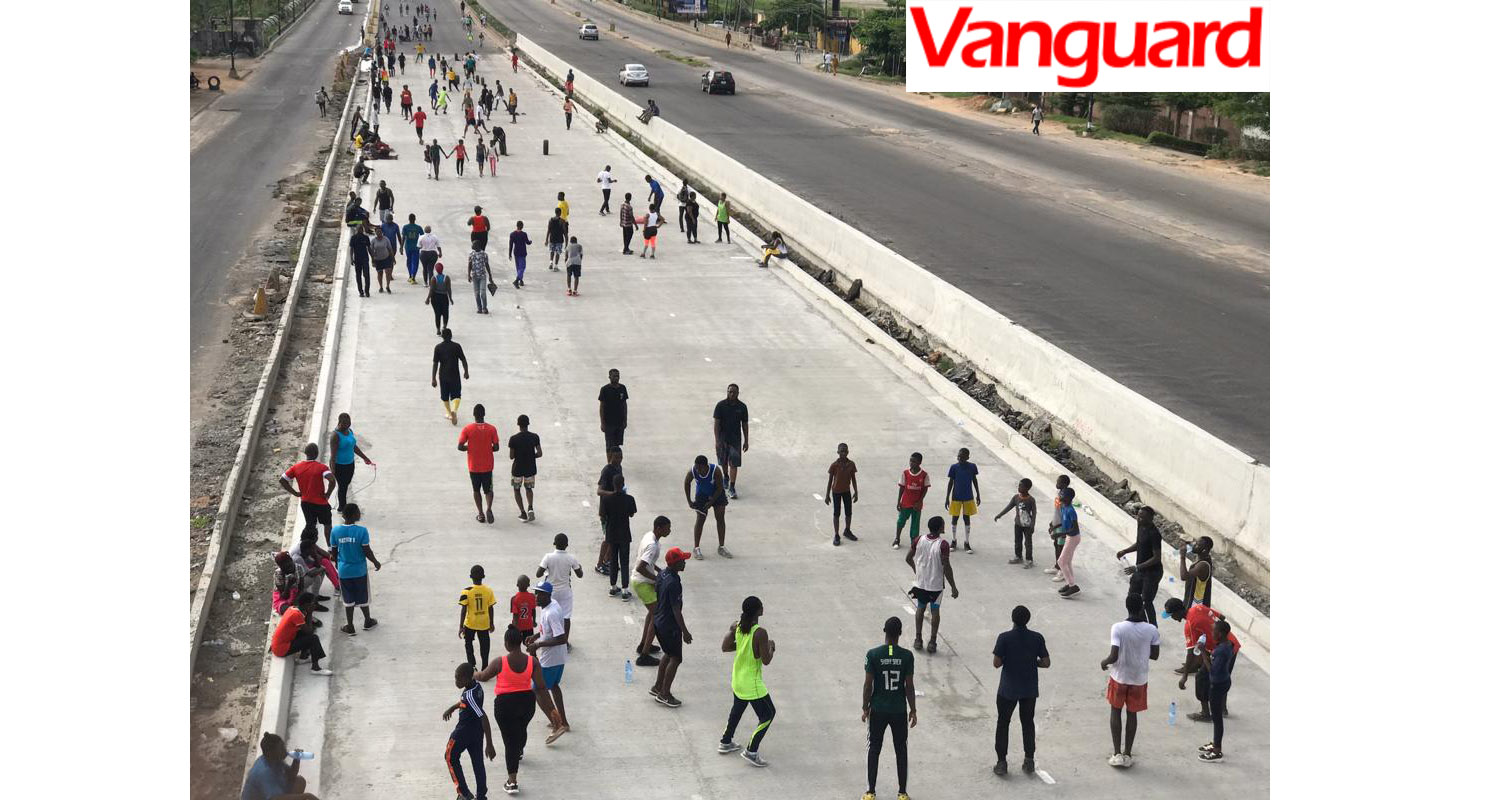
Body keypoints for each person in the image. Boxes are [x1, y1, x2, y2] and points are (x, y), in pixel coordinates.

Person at [473, 625, 564, 796]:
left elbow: (484, 676)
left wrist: (474, 674)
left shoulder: (500, 661)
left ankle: (512, 781)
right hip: (526, 703)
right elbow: (542, 688)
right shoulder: (532, 662)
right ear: (520, 642)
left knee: (509, 741)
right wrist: (553, 710)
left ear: (507, 643)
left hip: (505, 706)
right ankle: (519, 750)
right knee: (520, 731)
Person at [1099, 593, 1160, 768]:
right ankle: (1128, 754)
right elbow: (1155, 655)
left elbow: (1113, 655)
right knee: (1132, 714)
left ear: (1126, 607)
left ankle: (1117, 752)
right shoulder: (1151, 629)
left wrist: (1104, 662)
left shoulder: (1118, 628)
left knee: (1116, 711)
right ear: (1141, 607)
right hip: (1139, 678)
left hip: (1119, 676)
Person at [718, 596, 776, 768]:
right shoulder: (760, 632)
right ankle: (751, 750)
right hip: (752, 684)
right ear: (758, 611)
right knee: (768, 714)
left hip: (738, 679)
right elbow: (766, 660)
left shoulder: (737, 626)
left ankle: (726, 741)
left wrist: (744, 646)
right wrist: (771, 647)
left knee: (737, 710)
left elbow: (725, 647)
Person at [992, 605, 1049, 777]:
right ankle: (1029, 760)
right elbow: (1046, 662)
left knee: (1003, 723)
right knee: (1027, 722)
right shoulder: (1037, 638)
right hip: (1029, 688)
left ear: (1012, 619)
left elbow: (996, 663)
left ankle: (1002, 763)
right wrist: (1032, 662)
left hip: (1008, 688)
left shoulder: (1004, 638)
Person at [863, 616, 916, 800]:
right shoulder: (907, 656)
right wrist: (913, 710)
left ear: (884, 631)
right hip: (898, 710)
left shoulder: (873, 654)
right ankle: (902, 792)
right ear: (900, 633)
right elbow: (909, 686)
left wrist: (865, 707)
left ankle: (870, 792)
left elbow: (868, 685)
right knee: (901, 750)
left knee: (874, 749)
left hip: (878, 709)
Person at [1163, 597, 1240, 724]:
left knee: (1201, 678)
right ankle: (1222, 709)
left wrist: (1185, 676)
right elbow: (1222, 618)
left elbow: (1190, 654)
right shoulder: (1198, 607)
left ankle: (1205, 713)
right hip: (1232, 644)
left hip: (1219, 650)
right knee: (1223, 677)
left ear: (1177, 613)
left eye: (1171, 615)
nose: (1172, 618)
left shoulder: (1189, 625)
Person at [524, 581, 572, 744]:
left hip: (551, 659)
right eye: (536, 593)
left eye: (540, 594)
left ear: (547, 595)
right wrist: (537, 636)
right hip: (557, 658)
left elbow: (561, 638)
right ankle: (563, 722)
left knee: (537, 689)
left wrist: (538, 645)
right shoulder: (550, 607)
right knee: (553, 687)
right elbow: (549, 630)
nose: (536, 597)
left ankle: (557, 723)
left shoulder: (551, 612)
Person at [441, 663, 495, 800]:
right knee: (478, 763)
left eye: (458, 679)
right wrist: (453, 708)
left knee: (450, 756)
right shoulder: (476, 686)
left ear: (466, 678)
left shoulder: (470, 694)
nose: (456, 682)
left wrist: (490, 744)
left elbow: (483, 716)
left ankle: (464, 793)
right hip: (477, 732)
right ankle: (481, 796)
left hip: (464, 731)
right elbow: (467, 702)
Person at [906, 517, 958, 654]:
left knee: (920, 609)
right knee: (935, 612)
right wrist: (953, 586)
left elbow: (908, 558)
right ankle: (932, 641)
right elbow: (946, 567)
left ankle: (918, 639)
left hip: (921, 583)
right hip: (935, 586)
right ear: (941, 528)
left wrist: (916, 570)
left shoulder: (919, 540)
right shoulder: (943, 545)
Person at [650, 547, 693, 707]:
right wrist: (685, 632)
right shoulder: (674, 583)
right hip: (670, 626)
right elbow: (676, 610)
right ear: (675, 564)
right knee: (676, 658)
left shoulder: (662, 574)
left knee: (667, 654)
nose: (685, 562)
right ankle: (665, 694)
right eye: (682, 560)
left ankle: (657, 686)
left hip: (659, 621)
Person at [330, 504, 381, 635]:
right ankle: (367, 621)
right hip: (359, 571)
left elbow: (334, 552)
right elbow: (366, 550)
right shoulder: (362, 531)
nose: (360, 514)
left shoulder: (335, 531)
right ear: (353, 515)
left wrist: (337, 563)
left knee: (348, 599)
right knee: (363, 596)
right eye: (358, 512)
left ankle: (350, 626)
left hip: (344, 571)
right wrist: (375, 562)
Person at [632, 515, 671, 666]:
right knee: (658, 615)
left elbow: (648, 562)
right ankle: (644, 655)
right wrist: (657, 579)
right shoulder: (652, 545)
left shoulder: (650, 536)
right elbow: (641, 567)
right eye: (667, 528)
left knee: (653, 613)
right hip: (642, 583)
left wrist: (659, 572)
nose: (670, 530)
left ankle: (643, 644)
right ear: (659, 528)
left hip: (641, 581)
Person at [1117, 506, 1165, 623]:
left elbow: (1156, 557)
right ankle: (1137, 620)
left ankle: (1153, 627)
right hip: (1140, 571)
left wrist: (1137, 567)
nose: (1139, 519)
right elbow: (1140, 543)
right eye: (1138, 516)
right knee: (1132, 596)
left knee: (1146, 601)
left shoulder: (1154, 534)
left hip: (1152, 573)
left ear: (1150, 518)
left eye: (1142, 517)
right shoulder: (1141, 526)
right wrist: (1125, 551)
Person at [280, 443, 335, 545]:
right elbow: (332, 480)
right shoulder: (322, 467)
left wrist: (295, 493)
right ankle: (331, 548)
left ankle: (308, 547)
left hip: (306, 503)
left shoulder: (296, 467)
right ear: (317, 453)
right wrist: (328, 494)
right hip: (321, 503)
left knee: (310, 525)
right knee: (327, 525)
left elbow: (282, 480)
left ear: (305, 453)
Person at [241, 731, 320, 800]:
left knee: (299, 781)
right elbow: (276, 799)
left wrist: (296, 760)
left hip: (274, 795)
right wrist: (306, 796)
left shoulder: (275, 760)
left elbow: (291, 776)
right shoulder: (264, 772)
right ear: (271, 753)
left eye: (283, 746)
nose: (285, 751)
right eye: (281, 749)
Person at [1200, 618, 1238, 763]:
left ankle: (1217, 750)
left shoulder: (1221, 651)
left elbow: (1212, 672)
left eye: (1214, 630)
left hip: (1217, 685)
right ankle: (1215, 743)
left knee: (1216, 718)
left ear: (1221, 634)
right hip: (1225, 681)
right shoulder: (1227, 645)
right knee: (1216, 718)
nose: (1212, 632)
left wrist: (1204, 652)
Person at [269, 593, 332, 676]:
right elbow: (309, 631)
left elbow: (307, 629)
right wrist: (310, 613)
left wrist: (308, 613)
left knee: (305, 633)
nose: (315, 606)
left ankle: (303, 657)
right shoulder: (296, 615)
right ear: (306, 605)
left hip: (282, 643)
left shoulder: (293, 609)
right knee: (313, 638)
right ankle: (315, 668)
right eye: (313, 603)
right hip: (281, 649)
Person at [536, 534, 583, 642]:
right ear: (567, 545)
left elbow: (538, 574)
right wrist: (580, 567)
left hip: (550, 592)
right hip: (565, 591)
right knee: (566, 616)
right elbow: (580, 575)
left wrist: (547, 569)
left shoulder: (548, 557)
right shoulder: (571, 558)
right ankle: (564, 641)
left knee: (548, 614)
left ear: (554, 544)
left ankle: (547, 637)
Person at [458, 403, 499, 523]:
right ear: (484, 414)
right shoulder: (492, 429)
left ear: (474, 415)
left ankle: (481, 514)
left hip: (474, 466)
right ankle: (489, 508)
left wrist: (470, 447)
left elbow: (460, 447)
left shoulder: (467, 429)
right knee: (488, 490)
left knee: (476, 490)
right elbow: (496, 447)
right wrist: (486, 448)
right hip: (487, 466)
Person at [684, 454, 729, 560]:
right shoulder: (693, 471)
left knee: (720, 518)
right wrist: (689, 501)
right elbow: (686, 483)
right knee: (700, 520)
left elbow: (719, 488)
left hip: (717, 495)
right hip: (702, 495)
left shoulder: (715, 470)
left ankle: (721, 546)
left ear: (706, 466)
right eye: (696, 467)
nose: (698, 470)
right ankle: (696, 548)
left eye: (700, 468)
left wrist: (711, 502)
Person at [328, 413, 373, 513]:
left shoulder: (349, 431)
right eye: (345, 423)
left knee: (346, 484)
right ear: (339, 423)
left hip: (350, 464)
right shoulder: (335, 436)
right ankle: (342, 508)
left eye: (349, 423)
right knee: (342, 487)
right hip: (340, 466)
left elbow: (354, 446)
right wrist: (332, 471)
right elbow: (333, 456)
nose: (348, 425)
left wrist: (365, 458)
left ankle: (343, 506)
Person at [601, 474, 637, 596]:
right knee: (624, 562)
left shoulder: (606, 499)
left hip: (611, 533)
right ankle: (625, 590)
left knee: (613, 561)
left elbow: (602, 515)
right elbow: (632, 514)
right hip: (624, 534)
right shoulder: (629, 499)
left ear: (613, 484)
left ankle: (613, 587)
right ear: (623, 484)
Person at [712, 384, 749, 499]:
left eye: (734, 392)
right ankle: (726, 476)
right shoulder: (720, 406)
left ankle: (732, 487)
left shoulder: (742, 407)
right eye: (729, 392)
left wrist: (746, 440)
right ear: (727, 392)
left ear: (738, 393)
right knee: (723, 462)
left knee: (734, 464)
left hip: (735, 440)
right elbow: (716, 424)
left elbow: (744, 425)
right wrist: (717, 440)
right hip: (723, 439)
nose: (731, 394)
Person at [593, 446, 626, 574]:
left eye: (621, 457)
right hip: (606, 510)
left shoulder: (619, 468)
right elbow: (599, 491)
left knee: (614, 538)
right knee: (607, 538)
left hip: (617, 508)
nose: (619, 460)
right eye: (617, 457)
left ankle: (608, 560)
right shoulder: (606, 471)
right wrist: (613, 493)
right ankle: (599, 564)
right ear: (611, 456)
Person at [993, 478, 1038, 568]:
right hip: (1018, 524)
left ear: (1027, 488)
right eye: (1019, 485)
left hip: (1027, 526)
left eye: (1021, 486)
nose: (1019, 487)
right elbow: (1009, 507)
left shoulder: (1031, 500)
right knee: (1017, 541)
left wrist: (1032, 525)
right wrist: (1000, 515)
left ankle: (1029, 560)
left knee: (1028, 543)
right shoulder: (1016, 498)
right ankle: (1018, 556)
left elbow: (1034, 513)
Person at [458, 564, 497, 668]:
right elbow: (491, 608)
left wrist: (461, 626)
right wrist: (491, 623)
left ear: (470, 577)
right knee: (485, 645)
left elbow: (463, 609)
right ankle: (485, 666)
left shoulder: (466, 591)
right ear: (483, 576)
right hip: (484, 623)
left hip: (470, 623)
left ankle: (472, 664)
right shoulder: (488, 590)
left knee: (468, 643)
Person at [944, 448, 982, 552]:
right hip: (956, 497)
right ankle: (954, 540)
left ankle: (967, 542)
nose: (959, 458)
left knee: (967, 519)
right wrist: (947, 497)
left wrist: (978, 494)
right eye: (958, 456)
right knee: (954, 519)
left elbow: (974, 480)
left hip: (968, 497)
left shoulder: (972, 467)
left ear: (967, 457)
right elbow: (950, 482)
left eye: (962, 457)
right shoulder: (954, 467)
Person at [891, 452, 930, 549]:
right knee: (901, 521)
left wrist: (920, 501)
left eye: (914, 461)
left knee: (915, 524)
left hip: (917, 505)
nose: (911, 463)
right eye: (910, 461)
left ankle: (914, 541)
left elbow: (925, 489)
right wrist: (898, 501)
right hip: (906, 503)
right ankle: (897, 538)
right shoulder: (905, 473)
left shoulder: (924, 475)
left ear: (920, 462)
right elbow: (902, 487)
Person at [508, 415, 543, 521]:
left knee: (516, 489)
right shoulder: (535, 437)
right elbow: (540, 453)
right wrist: (532, 456)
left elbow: (511, 456)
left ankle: (523, 512)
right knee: (528, 488)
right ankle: (530, 507)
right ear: (528, 424)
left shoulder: (513, 439)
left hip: (517, 469)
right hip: (530, 468)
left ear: (518, 425)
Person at [432, 328, 469, 425]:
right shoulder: (457, 346)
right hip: (454, 375)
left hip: (443, 375)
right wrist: (466, 372)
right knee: (457, 395)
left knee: (445, 396)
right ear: (451, 335)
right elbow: (463, 360)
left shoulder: (438, 347)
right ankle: (454, 410)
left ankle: (449, 413)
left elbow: (435, 363)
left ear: (442, 336)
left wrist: (433, 378)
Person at [825, 443, 859, 545]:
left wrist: (856, 492)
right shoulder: (834, 465)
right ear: (838, 452)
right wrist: (827, 495)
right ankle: (836, 534)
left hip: (846, 491)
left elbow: (853, 479)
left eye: (845, 451)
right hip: (836, 492)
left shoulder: (851, 464)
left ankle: (847, 530)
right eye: (841, 451)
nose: (843, 453)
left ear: (848, 452)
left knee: (848, 512)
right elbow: (830, 481)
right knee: (837, 513)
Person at [1054, 486, 1082, 597]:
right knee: (1068, 561)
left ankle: (1072, 586)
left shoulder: (1071, 511)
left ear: (1069, 498)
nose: (1060, 496)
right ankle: (1070, 583)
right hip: (1070, 537)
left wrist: (1060, 534)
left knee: (1061, 562)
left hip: (1073, 537)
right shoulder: (1063, 507)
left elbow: (1075, 528)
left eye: (1063, 494)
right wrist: (1055, 527)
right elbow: (1065, 523)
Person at [1044, 474, 1071, 576]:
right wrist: (1052, 523)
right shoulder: (1058, 493)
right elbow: (1057, 510)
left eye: (1058, 482)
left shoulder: (1065, 497)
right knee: (1056, 545)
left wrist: (1059, 527)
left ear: (1064, 484)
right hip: (1056, 522)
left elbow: (1064, 514)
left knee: (1061, 547)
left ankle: (1062, 570)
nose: (1056, 483)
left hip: (1061, 526)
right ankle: (1057, 566)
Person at [1180, 535, 1216, 610]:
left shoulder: (1202, 565)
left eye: (1197, 545)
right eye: (1195, 542)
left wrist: (1182, 557)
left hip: (1196, 606)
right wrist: (1188, 543)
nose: (1193, 545)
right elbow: (1196, 548)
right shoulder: (1203, 556)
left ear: (1204, 550)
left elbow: (1184, 576)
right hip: (1194, 603)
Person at [425, 262, 453, 333]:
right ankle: (444, 326)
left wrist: (428, 298)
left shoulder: (434, 278)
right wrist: (450, 298)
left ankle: (438, 329)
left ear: (436, 270)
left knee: (437, 313)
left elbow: (432, 290)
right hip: (444, 297)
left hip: (435, 298)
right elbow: (449, 289)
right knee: (445, 312)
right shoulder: (446, 278)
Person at [369, 223, 396, 294]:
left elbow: (390, 249)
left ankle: (388, 286)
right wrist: (373, 260)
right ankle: (381, 287)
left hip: (386, 258)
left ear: (382, 232)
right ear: (375, 232)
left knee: (388, 272)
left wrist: (393, 259)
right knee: (380, 273)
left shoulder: (386, 239)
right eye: (377, 232)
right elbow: (371, 251)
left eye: (380, 232)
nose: (379, 233)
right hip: (378, 259)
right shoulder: (373, 241)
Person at [466, 242, 492, 314]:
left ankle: (484, 308)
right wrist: (468, 275)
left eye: (473, 245)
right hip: (474, 276)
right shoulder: (471, 254)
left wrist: (490, 275)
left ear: (477, 246)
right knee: (477, 293)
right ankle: (479, 308)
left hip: (482, 276)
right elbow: (469, 265)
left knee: (483, 292)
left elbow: (487, 265)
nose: (472, 246)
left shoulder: (484, 254)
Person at [348, 223, 372, 298]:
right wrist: (351, 259)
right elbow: (351, 249)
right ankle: (361, 291)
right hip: (357, 259)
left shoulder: (366, 238)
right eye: (359, 229)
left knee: (366, 275)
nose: (360, 230)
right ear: (357, 230)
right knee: (358, 276)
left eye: (361, 229)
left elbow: (369, 248)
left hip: (365, 258)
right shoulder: (353, 238)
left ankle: (367, 291)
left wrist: (373, 257)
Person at [400, 213, 424, 284]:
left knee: (409, 261)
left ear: (409, 219)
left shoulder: (405, 227)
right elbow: (422, 237)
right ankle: (413, 277)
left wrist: (401, 247)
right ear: (415, 219)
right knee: (415, 262)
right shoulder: (418, 227)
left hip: (408, 247)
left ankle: (410, 275)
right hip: (416, 247)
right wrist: (422, 245)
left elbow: (403, 237)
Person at [507, 220, 532, 289]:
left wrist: (509, 254)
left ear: (517, 226)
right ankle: (516, 281)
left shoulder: (512, 234)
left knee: (518, 267)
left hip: (516, 252)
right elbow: (527, 242)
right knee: (522, 267)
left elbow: (511, 245)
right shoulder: (524, 234)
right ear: (522, 226)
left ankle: (521, 280)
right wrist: (530, 242)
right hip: (522, 253)